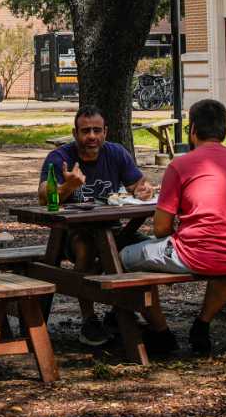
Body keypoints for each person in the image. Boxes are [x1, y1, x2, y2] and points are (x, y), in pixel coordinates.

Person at [120, 98, 226, 355]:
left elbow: (161, 229)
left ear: (193, 129)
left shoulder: (180, 165)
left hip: (196, 254)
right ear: (224, 130)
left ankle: (161, 332)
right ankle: (202, 324)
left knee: (120, 258)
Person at [40, 105, 153, 345]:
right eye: (85, 131)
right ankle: (89, 319)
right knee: (87, 248)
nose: (92, 136)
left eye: (97, 130)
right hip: (72, 233)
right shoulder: (59, 158)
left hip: (114, 230)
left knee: (148, 249)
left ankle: (119, 312)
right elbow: (42, 197)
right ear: (75, 133)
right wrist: (67, 186)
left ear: (105, 132)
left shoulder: (117, 153)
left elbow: (137, 184)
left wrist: (144, 189)